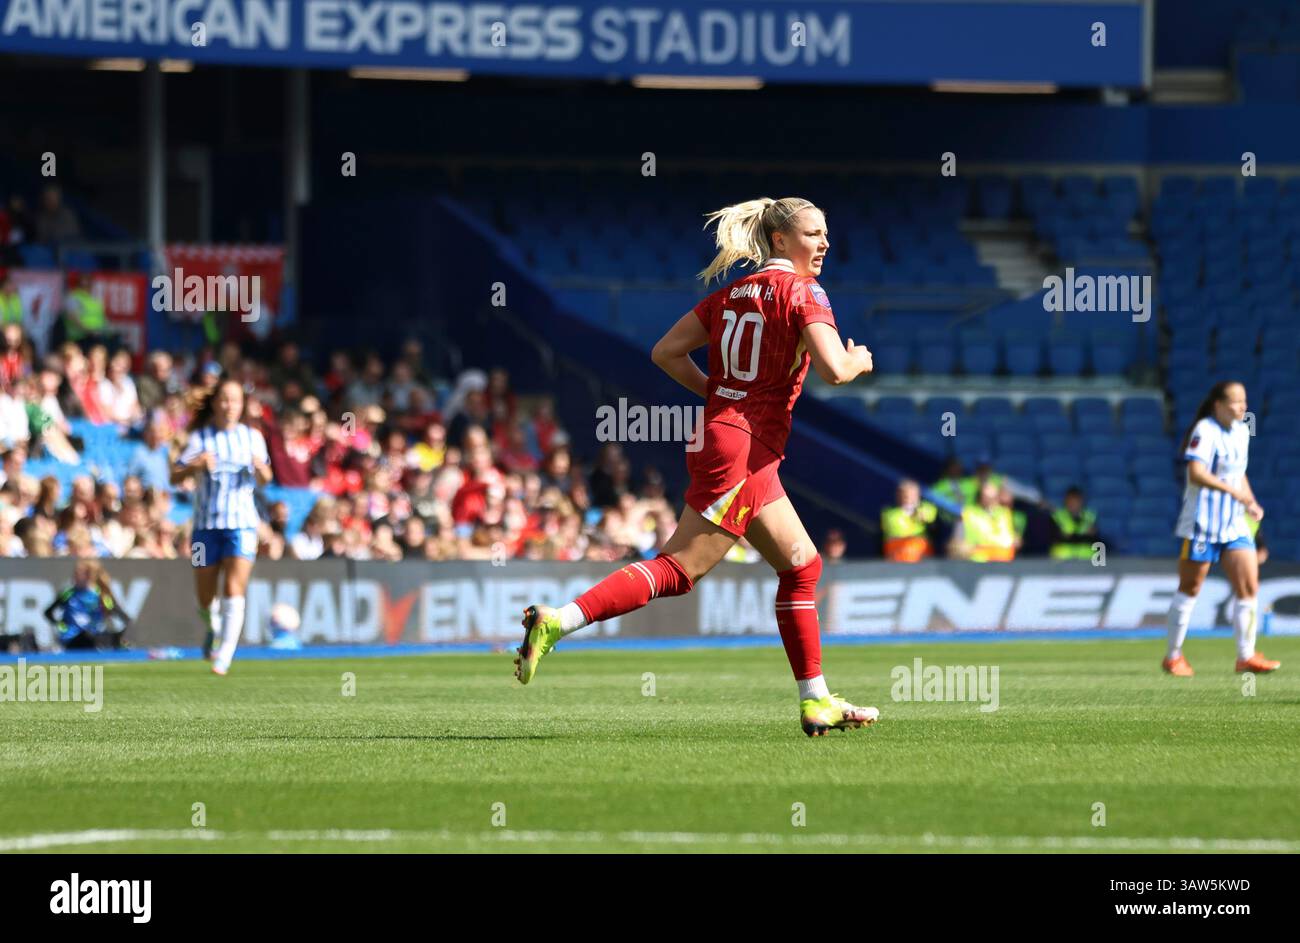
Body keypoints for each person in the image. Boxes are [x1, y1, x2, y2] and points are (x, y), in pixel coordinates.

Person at [512, 196, 880, 737]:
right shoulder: (805, 292)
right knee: (679, 571)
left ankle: (815, 699)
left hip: (732, 442)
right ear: (780, 240)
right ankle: (557, 621)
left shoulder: (732, 293)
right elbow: (834, 371)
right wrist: (859, 359)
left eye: (826, 234)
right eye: (813, 234)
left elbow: (665, 352)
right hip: (744, 449)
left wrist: (720, 395)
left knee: (802, 565)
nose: (824, 244)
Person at [1163, 381, 1278, 677]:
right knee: (1191, 588)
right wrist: (1234, 492)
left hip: (1234, 523)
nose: (1242, 407)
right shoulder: (1206, 430)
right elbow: (1197, 473)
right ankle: (1173, 656)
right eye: (1236, 402)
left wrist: (1249, 501)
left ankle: (1246, 656)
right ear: (1218, 405)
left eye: (1244, 401)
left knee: (1249, 586)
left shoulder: (1241, 431)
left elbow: (1238, 474)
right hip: (1203, 524)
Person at [171, 377, 273, 675]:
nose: (230, 406)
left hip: (241, 525)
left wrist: (261, 469)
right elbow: (175, 476)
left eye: (236, 400)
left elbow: (266, 480)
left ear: (242, 406)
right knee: (205, 595)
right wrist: (195, 466)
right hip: (204, 527)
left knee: (233, 586)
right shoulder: (200, 438)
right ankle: (212, 627)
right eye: (225, 399)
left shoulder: (253, 437)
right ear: (215, 403)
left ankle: (225, 654)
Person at [43, 559, 130, 650]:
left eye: (79, 573)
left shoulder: (101, 595)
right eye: (75, 573)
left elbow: (120, 614)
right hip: (72, 638)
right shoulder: (68, 593)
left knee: (94, 637)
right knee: (82, 637)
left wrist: (118, 634)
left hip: (94, 637)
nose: (75, 576)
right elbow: (48, 612)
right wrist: (63, 627)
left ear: (89, 575)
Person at [949, 480, 1018, 562]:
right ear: (980, 497)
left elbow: (1010, 536)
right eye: (987, 496)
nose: (991, 499)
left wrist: (1015, 540)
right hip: (977, 560)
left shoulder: (1004, 513)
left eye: (994, 496)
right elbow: (957, 539)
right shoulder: (968, 512)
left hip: (1003, 559)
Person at [881, 478, 937, 562]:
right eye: (904, 494)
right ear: (898, 495)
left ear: (918, 495)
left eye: (911, 494)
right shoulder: (889, 513)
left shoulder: (928, 508)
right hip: (898, 556)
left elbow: (930, 519)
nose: (907, 497)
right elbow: (893, 529)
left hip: (921, 556)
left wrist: (919, 512)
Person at [1049, 486, 1098, 560]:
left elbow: (1094, 537)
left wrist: (1071, 536)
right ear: (1066, 501)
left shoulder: (1090, 516)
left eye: (1076, 501)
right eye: (1071, 501)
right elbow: (1056, 537)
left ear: (1081, 501)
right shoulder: (1058, 516)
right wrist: (1082, 535)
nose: (1073, 504)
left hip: (1085, 556)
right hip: (1063, 557)